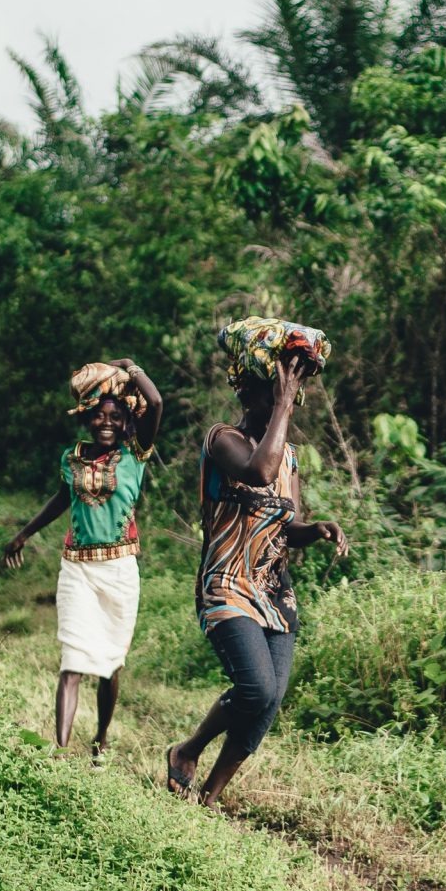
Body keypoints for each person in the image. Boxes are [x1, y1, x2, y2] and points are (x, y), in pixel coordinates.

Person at [165, 317, 348, 808]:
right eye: (276, 394)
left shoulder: (290, 457)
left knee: (269, 702)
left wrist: (316, 529)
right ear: (247, 392)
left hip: (274, 592)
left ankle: (210, 797)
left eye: (290, 396)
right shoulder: (222, 440)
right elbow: (258, 472)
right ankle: (187, 751)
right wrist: (283, 403)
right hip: (226, 584)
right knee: (255, 687)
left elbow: (286, 524)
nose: (287, 403)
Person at [0, 359, 163, 765]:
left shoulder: (135, 453)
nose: (106, 423)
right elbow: (62, 499)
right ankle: (60, 751)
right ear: (87, 419)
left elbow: (156, 402)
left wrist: (129, 366)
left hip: (120, 572)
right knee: (72, 662)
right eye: (99, 416)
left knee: (110, 665)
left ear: (125, 422)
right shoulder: (70, 458)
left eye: (115, 417)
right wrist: (24, 534)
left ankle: (100, 741)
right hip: (77, 569)